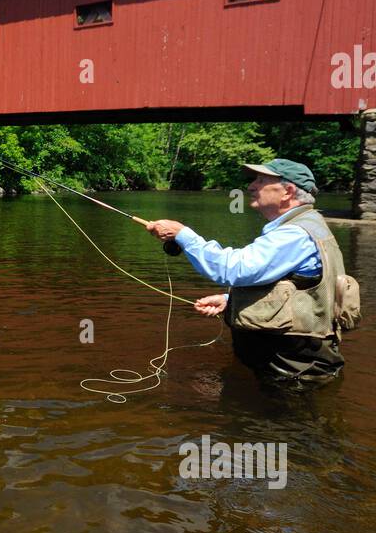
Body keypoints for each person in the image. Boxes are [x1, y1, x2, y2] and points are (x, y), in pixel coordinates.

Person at [146, 159, 349, 388]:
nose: (251, 187)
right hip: (290, 360)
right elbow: (295, 286)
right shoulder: (306, 225)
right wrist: (229, 300)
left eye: (261, 181)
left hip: (293, 368)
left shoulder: (295, 234)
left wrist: (183, 234)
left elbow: (231, 269)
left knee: (283, 423)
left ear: (288, 191)